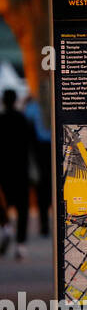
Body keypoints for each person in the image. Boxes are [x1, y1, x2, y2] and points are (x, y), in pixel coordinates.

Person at [0, 89, 34, 260]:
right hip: (21, 170)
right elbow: (30, 144)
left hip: (4, 170)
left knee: (4, 204)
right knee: (23, 209)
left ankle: (5, 227)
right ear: (14, 100)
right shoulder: (22, 120)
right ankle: (20, 245)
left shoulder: (1, 120)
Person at [23, 93, 51, 237]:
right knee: (47, 189)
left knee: (43, 190)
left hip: (40, 151)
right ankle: (46, 223)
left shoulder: (32, 107)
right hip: (47, 150)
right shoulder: (54, 103)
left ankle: (45, 224)